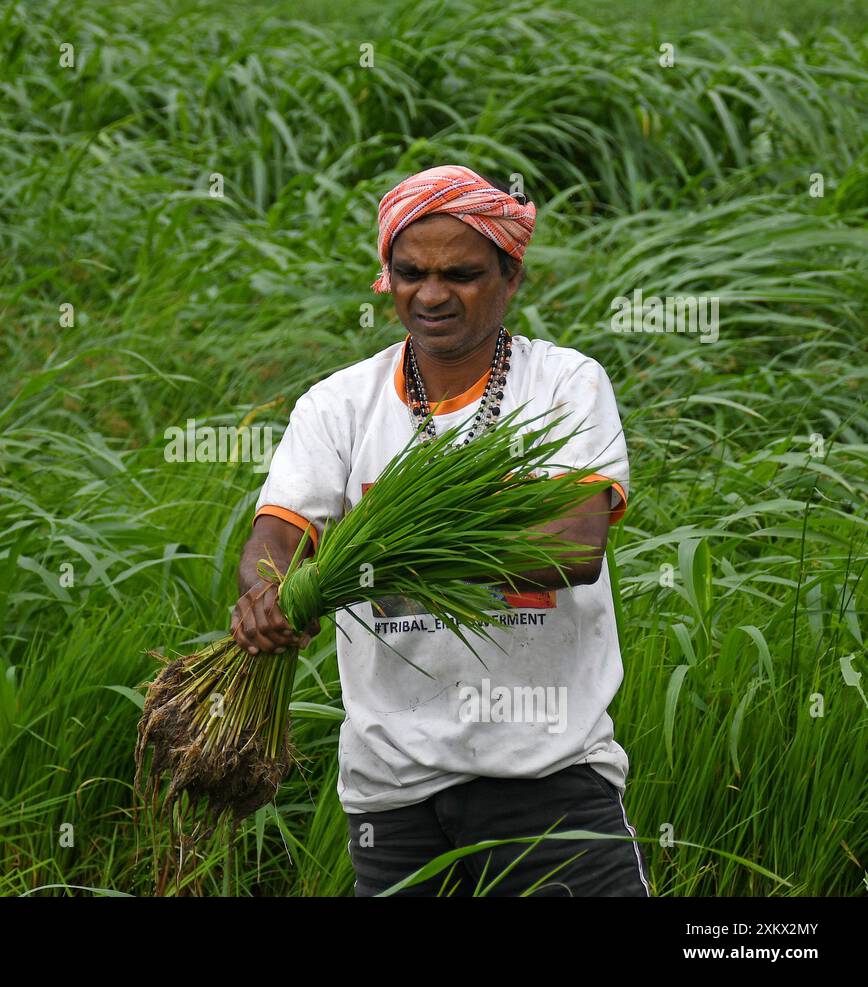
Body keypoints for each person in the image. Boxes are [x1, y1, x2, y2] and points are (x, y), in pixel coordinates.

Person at [230, 164, 650, 897]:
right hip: (392, 791)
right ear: (386, 275)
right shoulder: (339, 407)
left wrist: (382, 561)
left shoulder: (564, 387)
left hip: (547, 774)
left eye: (460, 273)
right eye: (409, 272)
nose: (430, 294)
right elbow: (276, 540)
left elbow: (576, 547)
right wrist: (268, 596)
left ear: (510, 274)